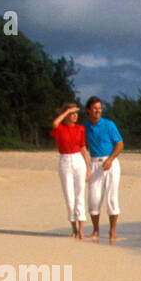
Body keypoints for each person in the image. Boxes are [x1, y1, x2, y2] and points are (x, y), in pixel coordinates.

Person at [82, 96, 124, 242]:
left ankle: (112, 232)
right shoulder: (85, 127)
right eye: (95, 108)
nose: (98, 111)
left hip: (111, 163)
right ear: (88, 110)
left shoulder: (109, 125)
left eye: (99, 108)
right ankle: (95, 230)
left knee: (112, 198)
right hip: (94, 163)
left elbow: (119, 144)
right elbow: (82, 146)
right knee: (93, 199)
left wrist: (111, 159)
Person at [49, 102, 88, 238]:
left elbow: (83, 147)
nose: (75, 116)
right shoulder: (60, 128)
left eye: (76, 113)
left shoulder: (80, 128)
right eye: (72, 114)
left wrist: (88, 168)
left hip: (78, 160)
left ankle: (81, 229)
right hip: (65, 160)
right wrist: (66, 112)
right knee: (69, 197)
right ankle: (74, 228)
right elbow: (54, 124)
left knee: (80, 196)